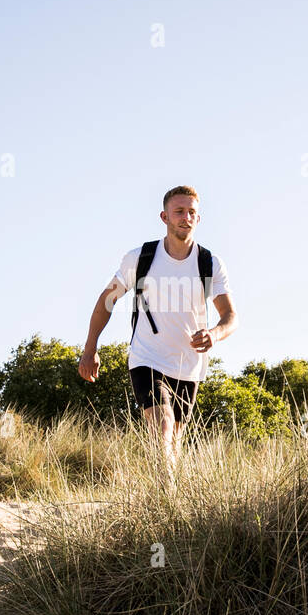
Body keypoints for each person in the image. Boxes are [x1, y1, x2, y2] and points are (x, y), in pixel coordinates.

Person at [78, 186, 238, 483]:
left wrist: (215, 334)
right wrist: (90, 349)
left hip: (189, 365)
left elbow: (230, 317)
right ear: (164, 216)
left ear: (198, 218)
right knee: (162, 425)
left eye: (191, 212)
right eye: (179, 212)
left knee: (173, 442)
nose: (185, 218)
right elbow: (106, 302)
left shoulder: (209, 263)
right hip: (146, 356)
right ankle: (167, 498)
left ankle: (167, 504)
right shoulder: (141, 258)